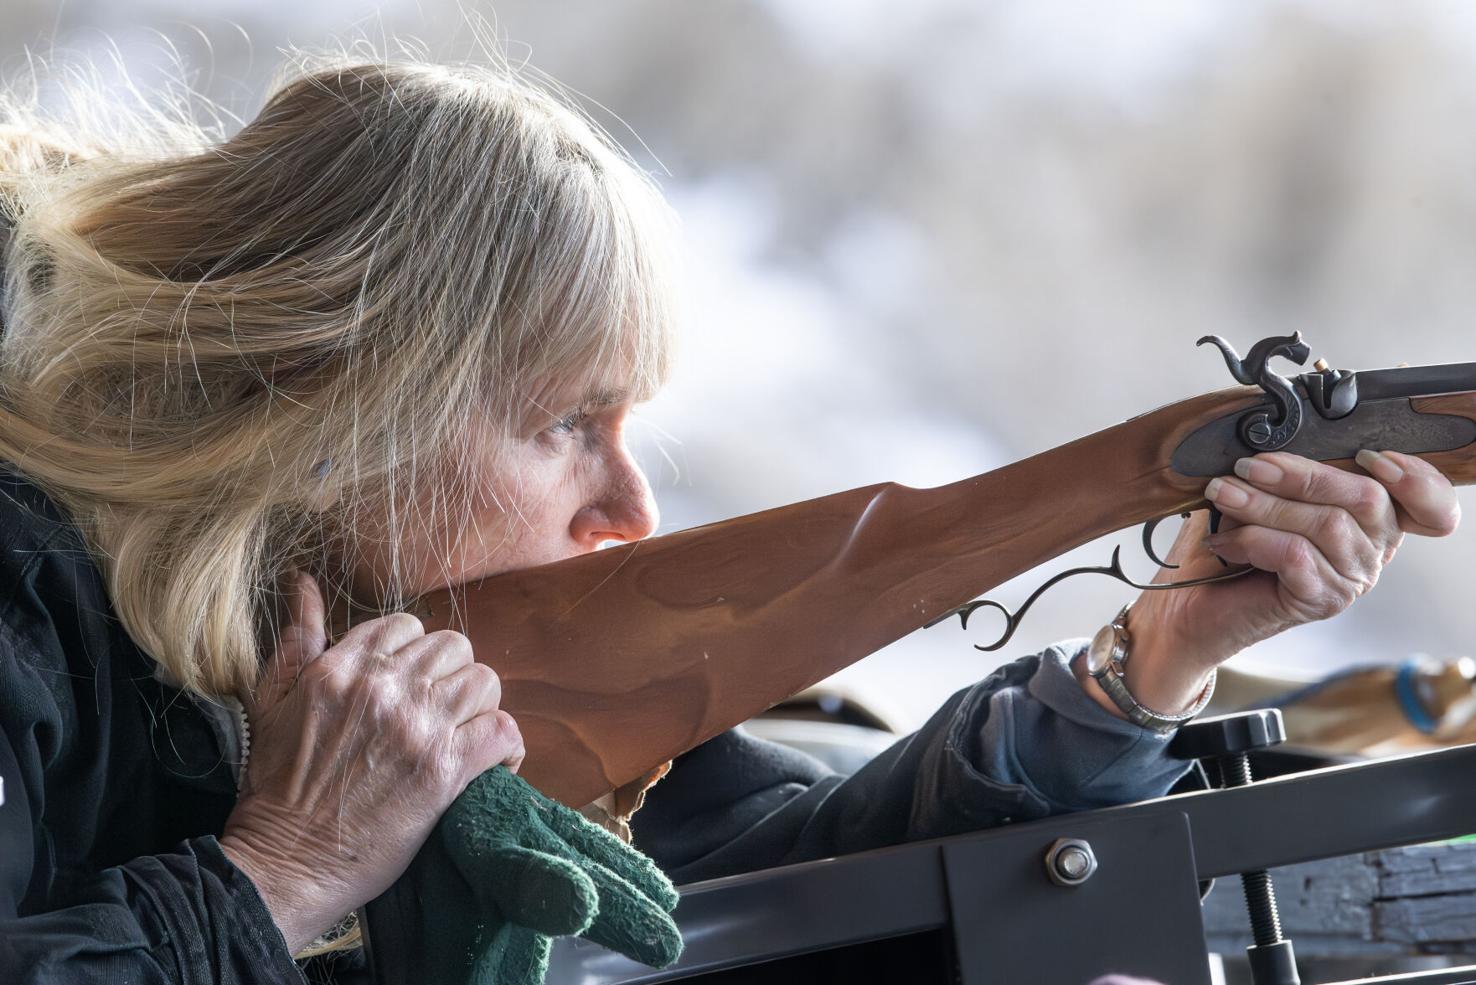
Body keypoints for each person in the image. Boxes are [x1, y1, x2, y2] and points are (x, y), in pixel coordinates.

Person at [0, 49, 1460, 985]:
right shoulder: (27, 607)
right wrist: (288, 868)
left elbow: (785, 884)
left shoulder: (439, 651)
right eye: (568, 422)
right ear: (341, 400)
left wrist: (1149, 659)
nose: (628, 502)